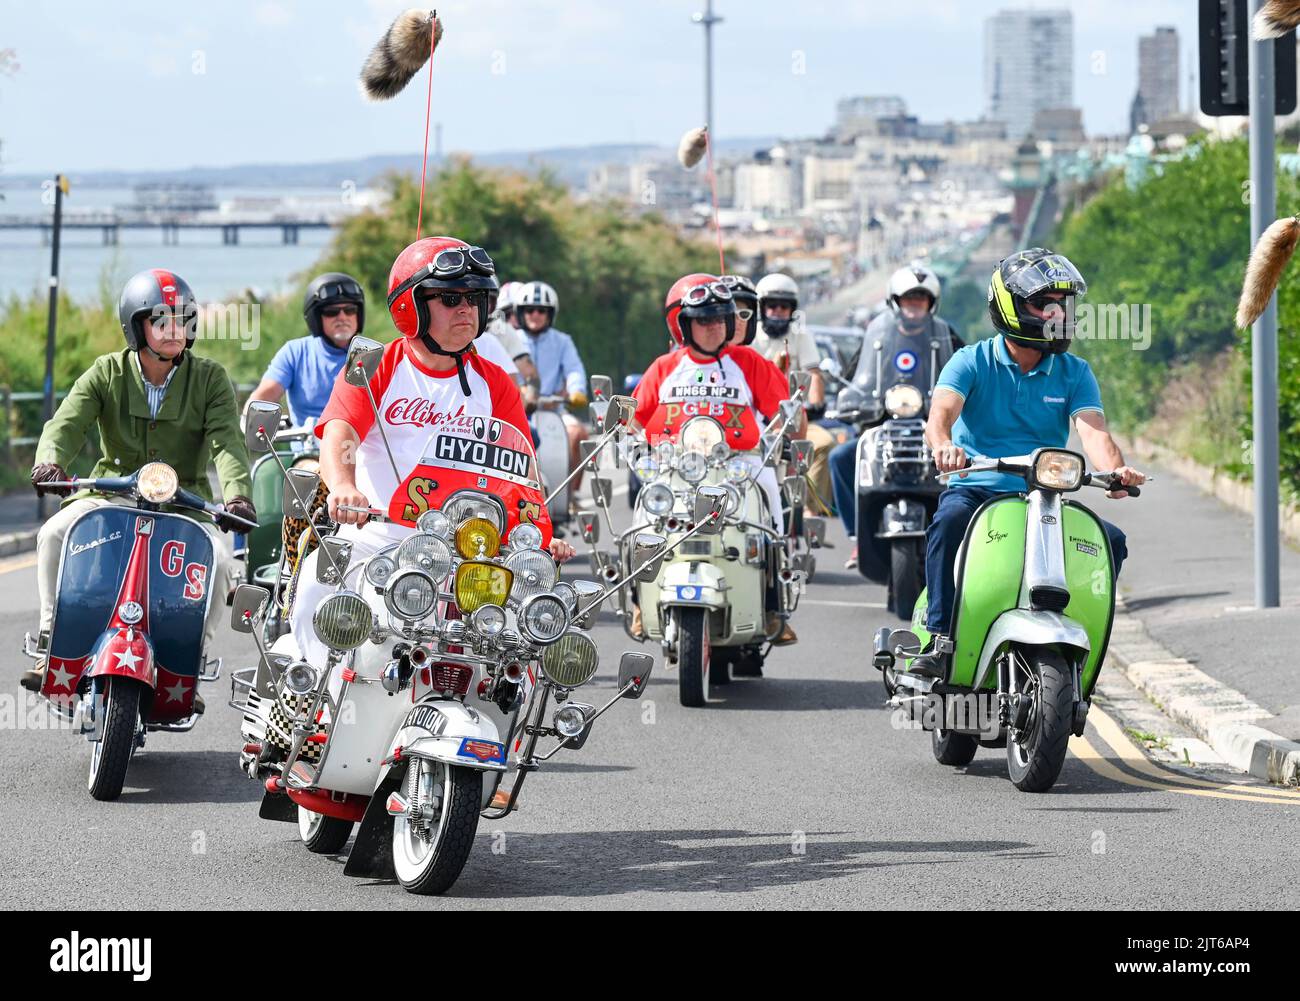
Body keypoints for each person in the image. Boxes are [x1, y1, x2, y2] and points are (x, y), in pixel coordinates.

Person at [292, 237, 574, 671]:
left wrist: (539, 532)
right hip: (378, 537)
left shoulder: (496, 382)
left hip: (467, 552)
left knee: (525, 645)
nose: (466, 309)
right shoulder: (375, 365)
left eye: (474, 299)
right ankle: (315, 709)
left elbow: (521, 472)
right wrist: (344, 487)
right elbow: (340, 430)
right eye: (449, 297)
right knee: (314, 588)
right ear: (412, 306)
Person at [23, 268, 255, 707]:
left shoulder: (210, 379)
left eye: (183, 319)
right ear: (136, 326)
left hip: (183, 503)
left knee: (222, 562)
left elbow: (227, 441)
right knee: (53, 534)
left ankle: (190, 660)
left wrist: (238, 494)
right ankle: (51, 641)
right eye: (161, 319)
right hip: (110, 491)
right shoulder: (106, 371)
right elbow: (66, 422)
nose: (174, 329)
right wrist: (49, 462)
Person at [910, 248, 1144, 676]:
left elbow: (1093, 431)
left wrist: (1116, 470)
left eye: (1062, 304)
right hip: (977, 487)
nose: (1056, 313)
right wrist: (944, 445)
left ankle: (1077, 644)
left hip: (1046, 496)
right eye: (1044, 303)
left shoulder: (1074, 371)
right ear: (1010, 306)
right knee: (946, 524)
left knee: (1110, 541)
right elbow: (940, 416)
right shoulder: (971, 361)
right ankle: (941, 636)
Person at [630, 273, 798, 646]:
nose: (712, 327)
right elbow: (633, 420)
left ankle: (773, 608)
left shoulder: (749, 362)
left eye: (720, 319)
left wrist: (787, 429)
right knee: (641, 523)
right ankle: (639, 602)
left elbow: (784, 414)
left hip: (741, 463)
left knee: (769, 515)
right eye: (703, 320)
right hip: (674, 466)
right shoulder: (663, 367)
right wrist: (628, 439)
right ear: (682, 324)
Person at [831, 262, 963, 568]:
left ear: (931, 303)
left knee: (962, 468)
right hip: (881, 425)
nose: (914, 305)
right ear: (896, 301)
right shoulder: (877, 336)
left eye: (921, 299)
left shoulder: (945, 336)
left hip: (930, 426)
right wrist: (850, 398)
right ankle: (856, 536)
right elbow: (854, 375)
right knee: (840, 458)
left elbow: (966, 371)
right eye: (908, 299)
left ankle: (959, 541)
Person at [749, 273, 836, 517]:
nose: (778, 311)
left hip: (794, 422)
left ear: (792, 310)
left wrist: (816, 403)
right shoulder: (749, 338)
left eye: (784, 306)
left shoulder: (802, 336)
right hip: (755, 423)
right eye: (772, 305)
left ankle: (810, 510)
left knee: (825, 444)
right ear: (762, 308)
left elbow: (814, 373)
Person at [247, 272, 366, 428]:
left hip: (359, 447)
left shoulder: (371, 353)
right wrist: (249, 418)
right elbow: (265, 394)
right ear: (315, 317)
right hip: (307, 448)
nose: (342, 317)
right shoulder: (295, 352)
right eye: (331, 312)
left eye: (350, 310)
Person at [515, 280, 589, 491]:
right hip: (518, 413)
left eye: (541, 310)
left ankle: (570, 495)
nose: (535, 314)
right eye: (529, 310)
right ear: (521, 312)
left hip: (555, 411)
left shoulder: (562, 341)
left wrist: (577, 391)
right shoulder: (511, 340)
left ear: (550, 314)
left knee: (579, 434)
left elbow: (574, 368)